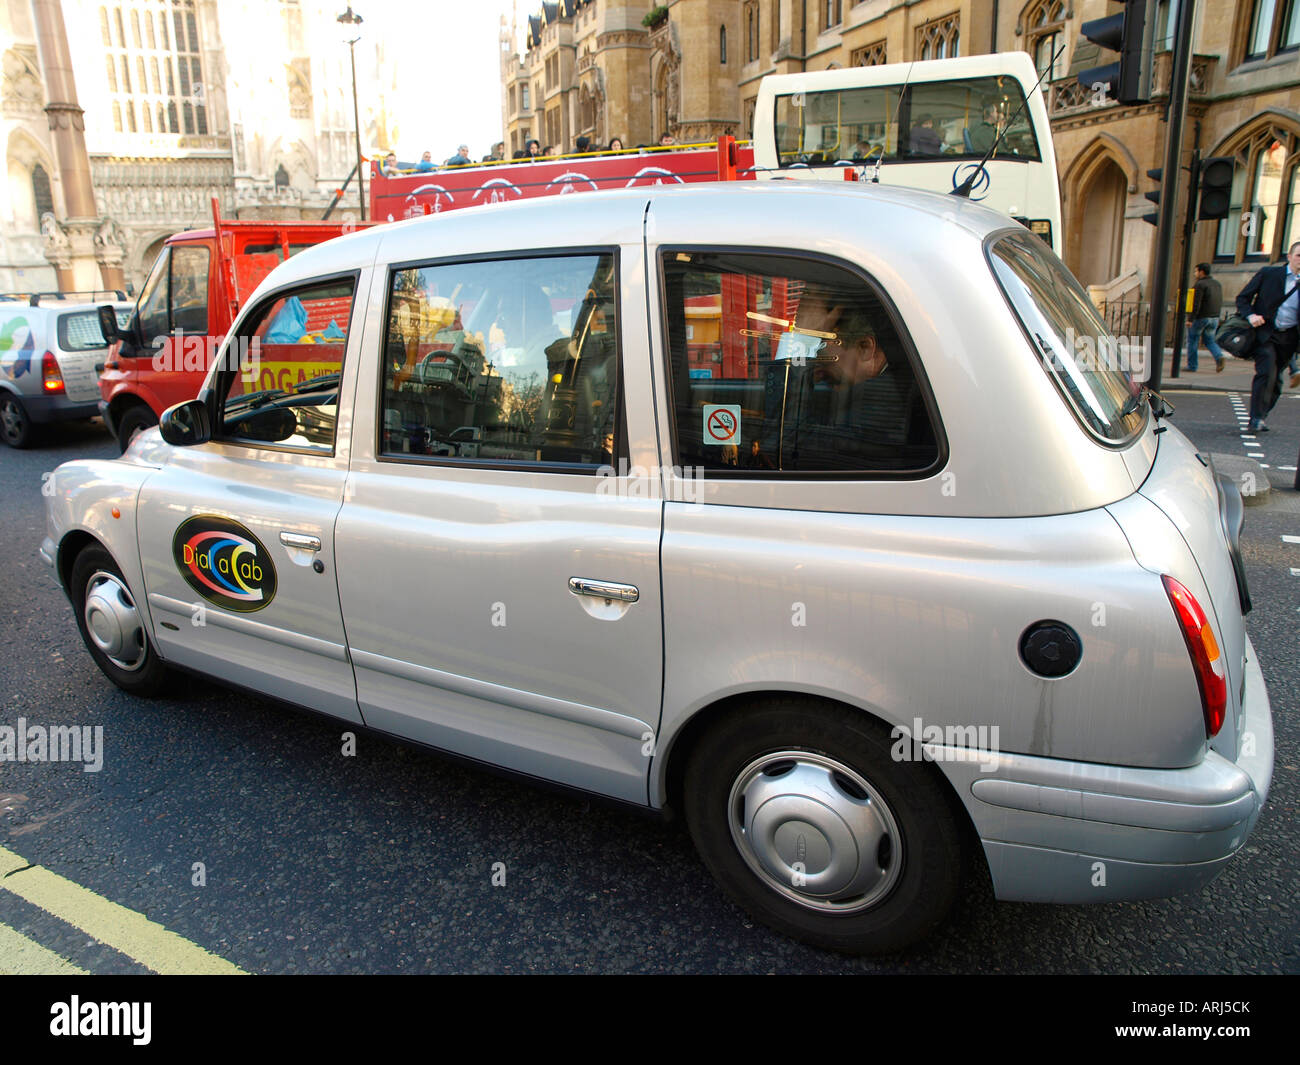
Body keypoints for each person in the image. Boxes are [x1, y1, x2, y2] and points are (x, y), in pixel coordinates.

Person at [1238, 239, 1300, 431]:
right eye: (1298, 255)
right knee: (1265, 373)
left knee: (1276, 383)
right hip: (1266, 334)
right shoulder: (1269, 274)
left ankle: (1262, 414)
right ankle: (1255, 419)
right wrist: (1251, 316)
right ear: (1289, 257)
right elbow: (1243, 298)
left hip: (1289, 338)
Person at [1185, 262, 1225, 373]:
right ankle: (1219, 356)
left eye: (1196, 271)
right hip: (1214, 317)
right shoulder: (1217, 284)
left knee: (1192, 340)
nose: (1195, 273)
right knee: (1210, 341)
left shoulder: (1200, 285)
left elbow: (1195, 303)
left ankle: (1192, 366)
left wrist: (1190, 319)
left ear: (1201, 272)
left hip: (1201, 317)